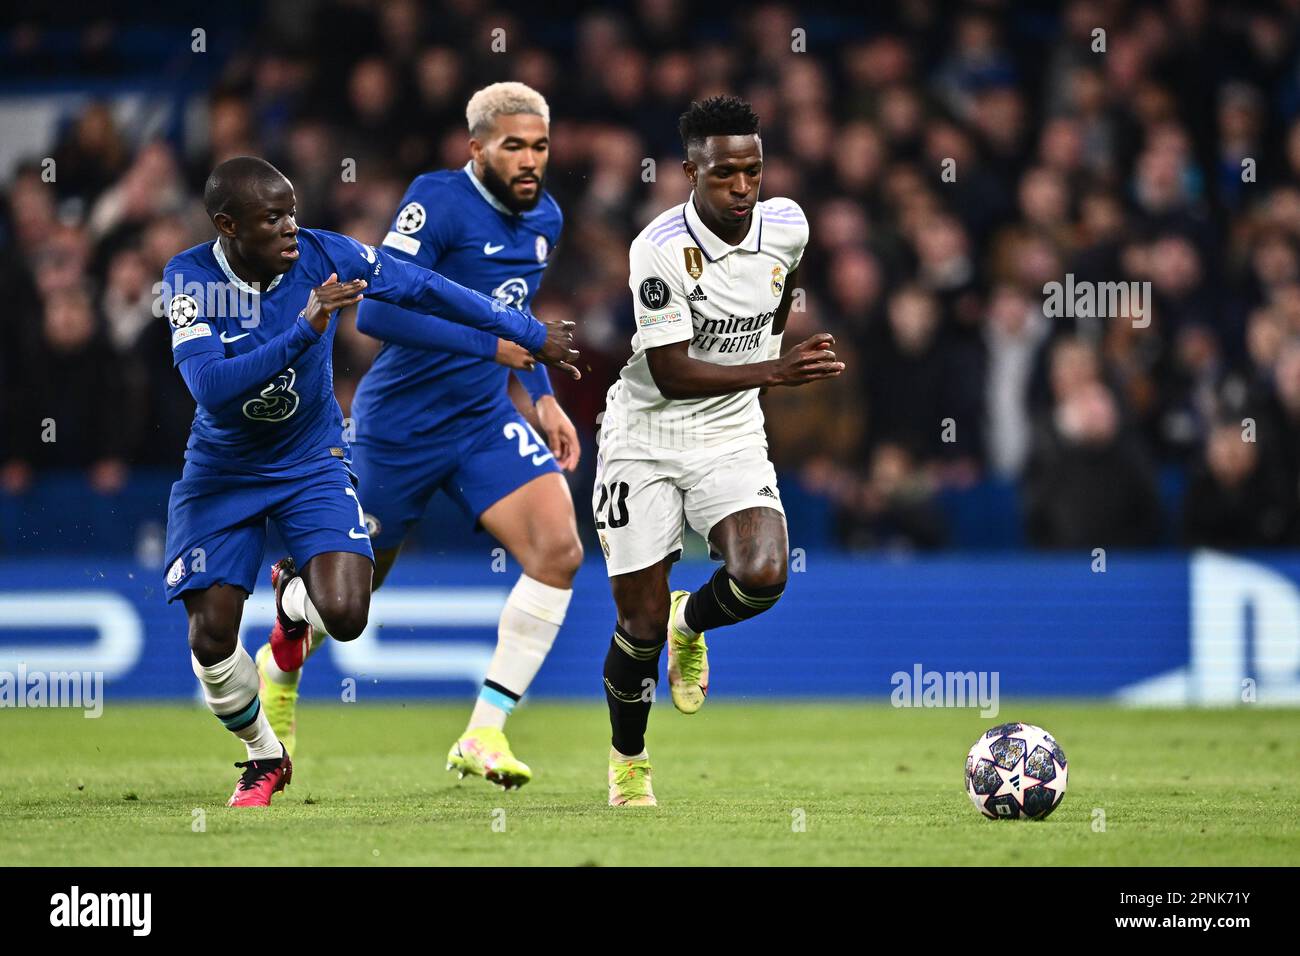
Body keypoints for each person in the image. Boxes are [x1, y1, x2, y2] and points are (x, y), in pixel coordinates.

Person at [163, 156, 576, 807]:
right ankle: (263, 756)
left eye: (292, 211)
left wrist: (526, 334)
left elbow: (422, 287)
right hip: (223, 473)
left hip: (310, 463)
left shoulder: (325, 254)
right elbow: (211, 387)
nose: (291, 229)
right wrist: (306, 327)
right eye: (273, 220)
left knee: (349, 615)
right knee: (212, 637)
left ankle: (293, 603)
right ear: (228, 226)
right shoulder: (189, 278)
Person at [256, 82, 583, 791]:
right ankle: (285, 624)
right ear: (477, 148)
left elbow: (518, 317)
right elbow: (375, 316)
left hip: (482, 420)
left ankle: (484, 730)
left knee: (559, 550)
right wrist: (490, 350)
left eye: (541, 146)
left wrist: (544, 398)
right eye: (514, 146)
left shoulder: (547, 217)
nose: (531, 161)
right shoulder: (436, 202)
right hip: (397, 428)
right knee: (349, 603)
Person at [594, 96, 843, 806]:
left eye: (753, 171)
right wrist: (775, 370)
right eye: (726, 173)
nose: (743, 187)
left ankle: (691, 620)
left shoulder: (789, 226)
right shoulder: (659, 249)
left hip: (729, 429)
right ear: (690, 171)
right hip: (645, 436)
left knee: (764, 574)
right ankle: (629, 760)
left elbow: (780, 293)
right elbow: (670, 372)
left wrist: (766, 358)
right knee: (636, 623)